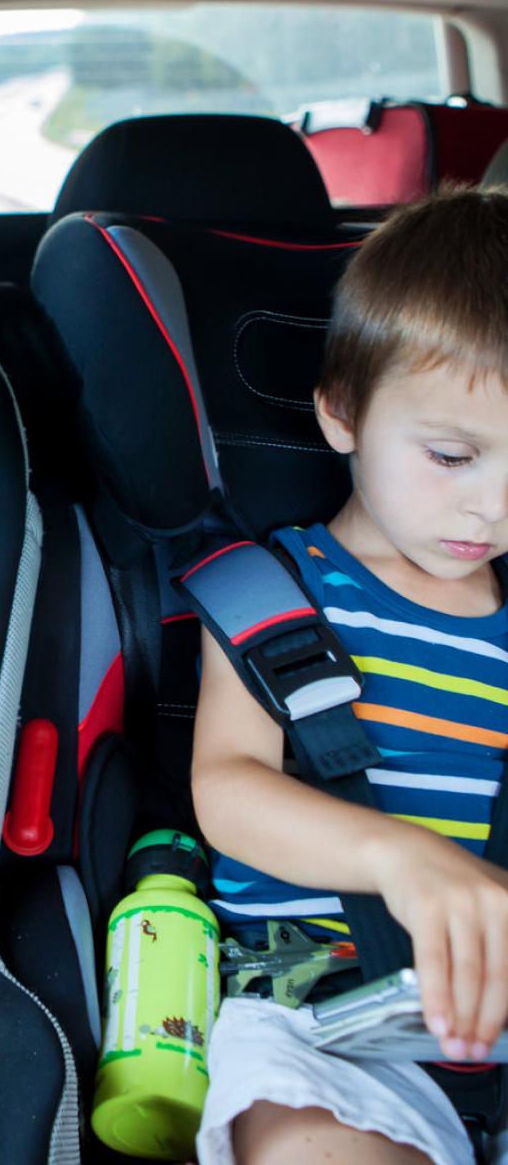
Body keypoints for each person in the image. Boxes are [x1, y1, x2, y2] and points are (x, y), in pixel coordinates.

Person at [192, 186, 508, 1165]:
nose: (490, 505)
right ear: (340, 413)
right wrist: (399, 857)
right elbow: (228, 786)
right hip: (313, 1021)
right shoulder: (272, 595)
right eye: (450, 454)